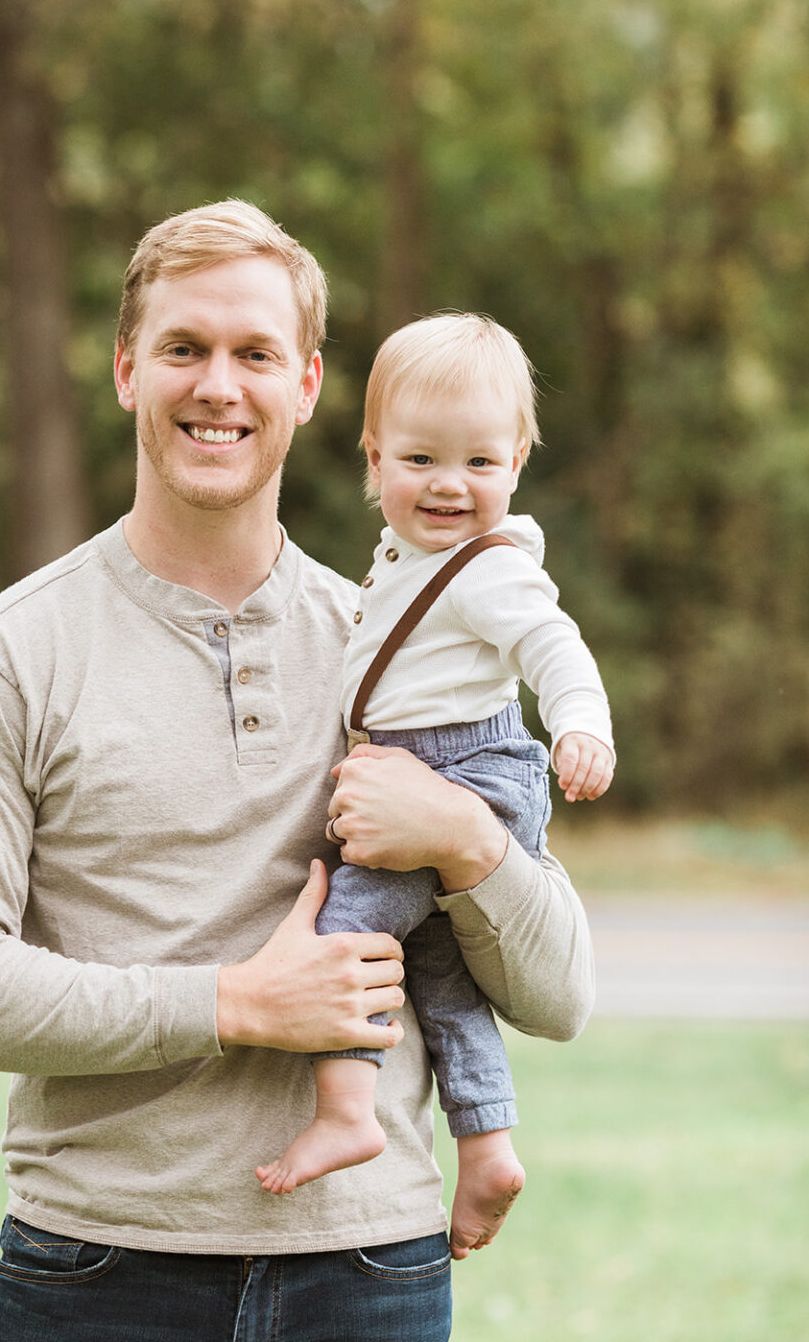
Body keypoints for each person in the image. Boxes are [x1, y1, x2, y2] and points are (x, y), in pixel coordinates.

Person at [0, 202, 596, 1342]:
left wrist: (464, 839)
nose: (219, 385)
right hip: (97, 1270)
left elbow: (559, 997)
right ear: (125, 372)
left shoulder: (405, 654)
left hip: (372, 1269)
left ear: (307, 387)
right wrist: (235, 1005)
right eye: (183, 349)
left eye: (254, 353)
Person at [256, 313, 614, 1259]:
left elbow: (554, 647)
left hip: (468, 769)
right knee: (440, 974)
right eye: (420, 459)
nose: (450, 484)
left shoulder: (487, 571)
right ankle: (488, 1142)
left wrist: (581, 725)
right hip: (443, 763)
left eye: (480, 464)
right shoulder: (402, 563)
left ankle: (346, 1110)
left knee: (348, 930)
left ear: (517, 463)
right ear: (373, 461)